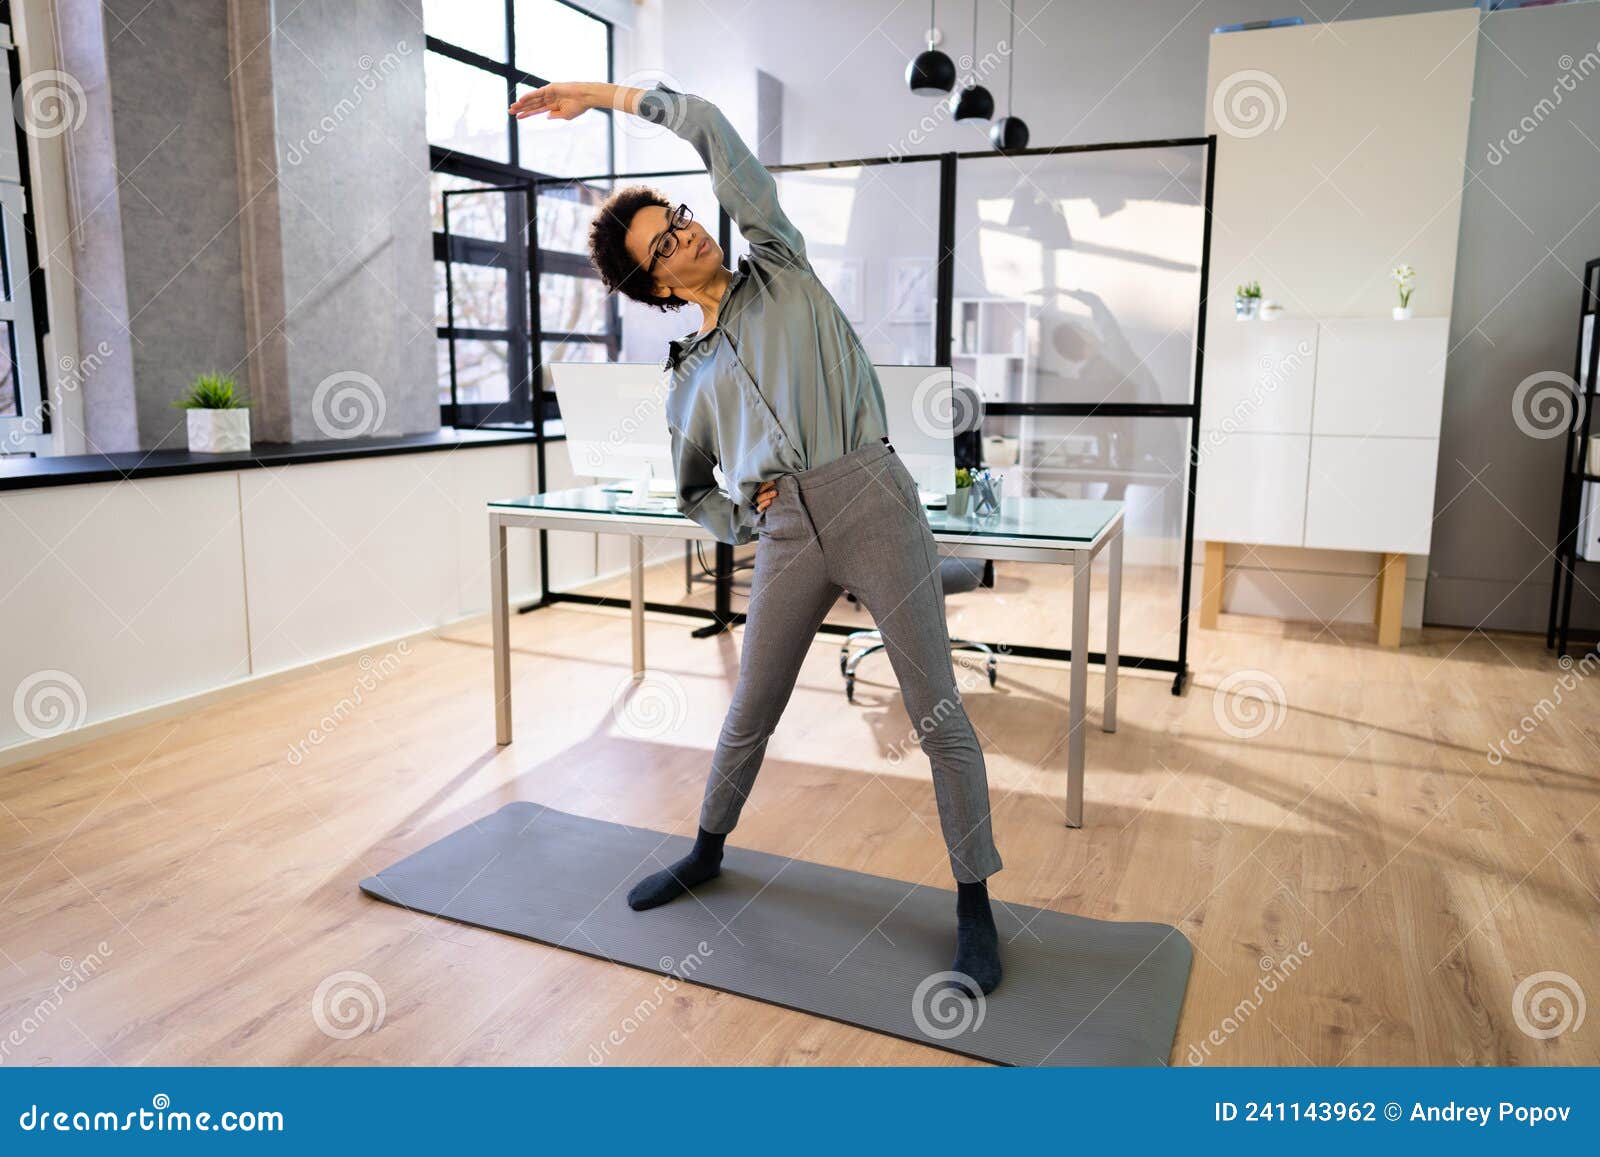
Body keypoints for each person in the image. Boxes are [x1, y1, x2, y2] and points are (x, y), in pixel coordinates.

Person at [510, 79, 1005, 996]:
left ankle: (976, 900)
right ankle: (706, 848)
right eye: (664, 241)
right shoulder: (686, 381)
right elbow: (695, 490)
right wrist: (753, 510)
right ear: (655, 284)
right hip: (787, 537)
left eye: (680, 218)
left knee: (937, 712)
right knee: (751, 709)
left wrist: (605, 96)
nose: (687, 234)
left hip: (873, 496)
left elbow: (713, 133)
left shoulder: (779, 262)